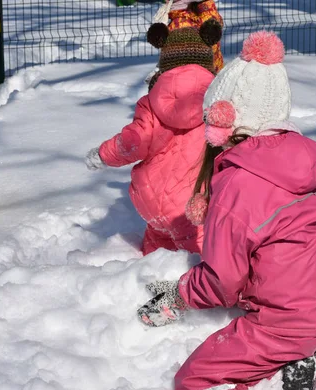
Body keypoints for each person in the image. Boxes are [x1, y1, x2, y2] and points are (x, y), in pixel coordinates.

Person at [137, 31, 316, 390]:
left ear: (224, 120)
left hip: (288, 326)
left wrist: (177, 297)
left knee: (195, 382)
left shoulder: (238, 185)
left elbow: (222, 281)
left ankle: (291, 352)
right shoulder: (295, 163)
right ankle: (309, 356)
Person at [85, 19, 222, 256]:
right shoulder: (218, 103)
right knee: (194, 261)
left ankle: (143, 280)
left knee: (159, 239)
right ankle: (182, 289)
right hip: (192, 208)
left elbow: (133, 141)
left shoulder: (151, 102)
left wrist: (103, 154)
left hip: (150, 201)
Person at [146, 0, 224, 85]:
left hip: (191, 85)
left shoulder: (181, 23)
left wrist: (159, 79)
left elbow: (179, 65)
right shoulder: (207, 11)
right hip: (214, 79)